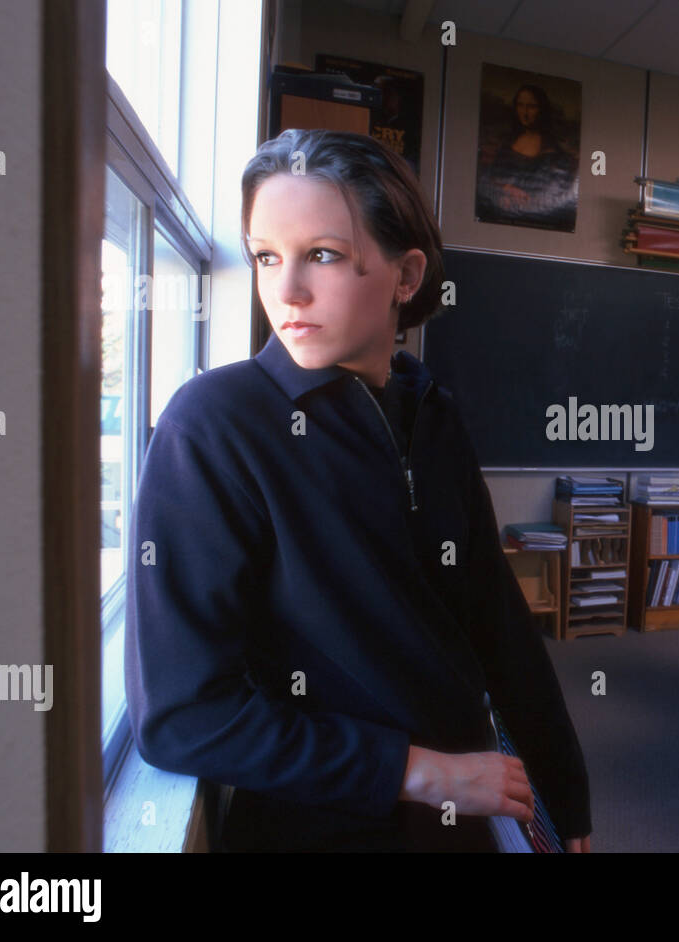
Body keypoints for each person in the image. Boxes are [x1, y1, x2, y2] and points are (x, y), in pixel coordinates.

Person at [125, 128, 591, 852]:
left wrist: (566, 799)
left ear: (406, 277)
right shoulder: (214, 426)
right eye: (266, 257)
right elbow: (182, 716)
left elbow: (500, 626)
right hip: (324, 819)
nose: (286, 291)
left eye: (323, 255)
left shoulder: (434, 412)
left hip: (469, 808)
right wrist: (414, 771)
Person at [475, 84, 577, 228]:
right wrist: (504, 189)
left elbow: (552, 198)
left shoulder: (553, 153)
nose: (525, 112)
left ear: (542, 110)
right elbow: (486, 179)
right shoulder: (506, 142)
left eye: (532, 106)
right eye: (520, 105)